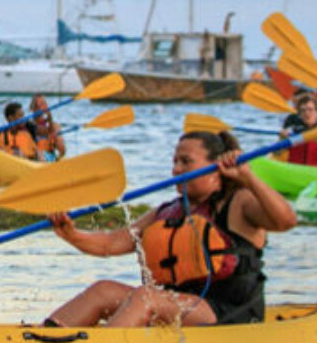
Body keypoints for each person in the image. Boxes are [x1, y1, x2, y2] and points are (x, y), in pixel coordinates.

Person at [43, 131, 296, 328]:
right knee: (103, 290)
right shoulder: (167, 211)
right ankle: (40, 340)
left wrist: (248, 177)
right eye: (175, 161)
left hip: (232, 311)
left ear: (215, 170)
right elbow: (112, 242)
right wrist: (72, 235)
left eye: (186, 162)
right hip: (179, 306)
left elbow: (286, 221)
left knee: (146, 297)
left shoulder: (239, 202)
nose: (176, 169)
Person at [280, 93, 317, 165]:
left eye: (310, 110)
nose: (307, 113)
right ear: (299, 113)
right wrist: (282, 140)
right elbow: (277, 155)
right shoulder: (292, 129)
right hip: (295, 171)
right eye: (303, 110)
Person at [28, 94, 66, 160]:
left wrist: (50, 120)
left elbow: (62, 150)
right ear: (32, 108)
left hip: (49, 157)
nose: (41, 107)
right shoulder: (28, 125)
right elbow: (39, 130)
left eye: (44, 104)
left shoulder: (55, 126)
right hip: (34, 158)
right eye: (38, 105)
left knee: (56, 132)